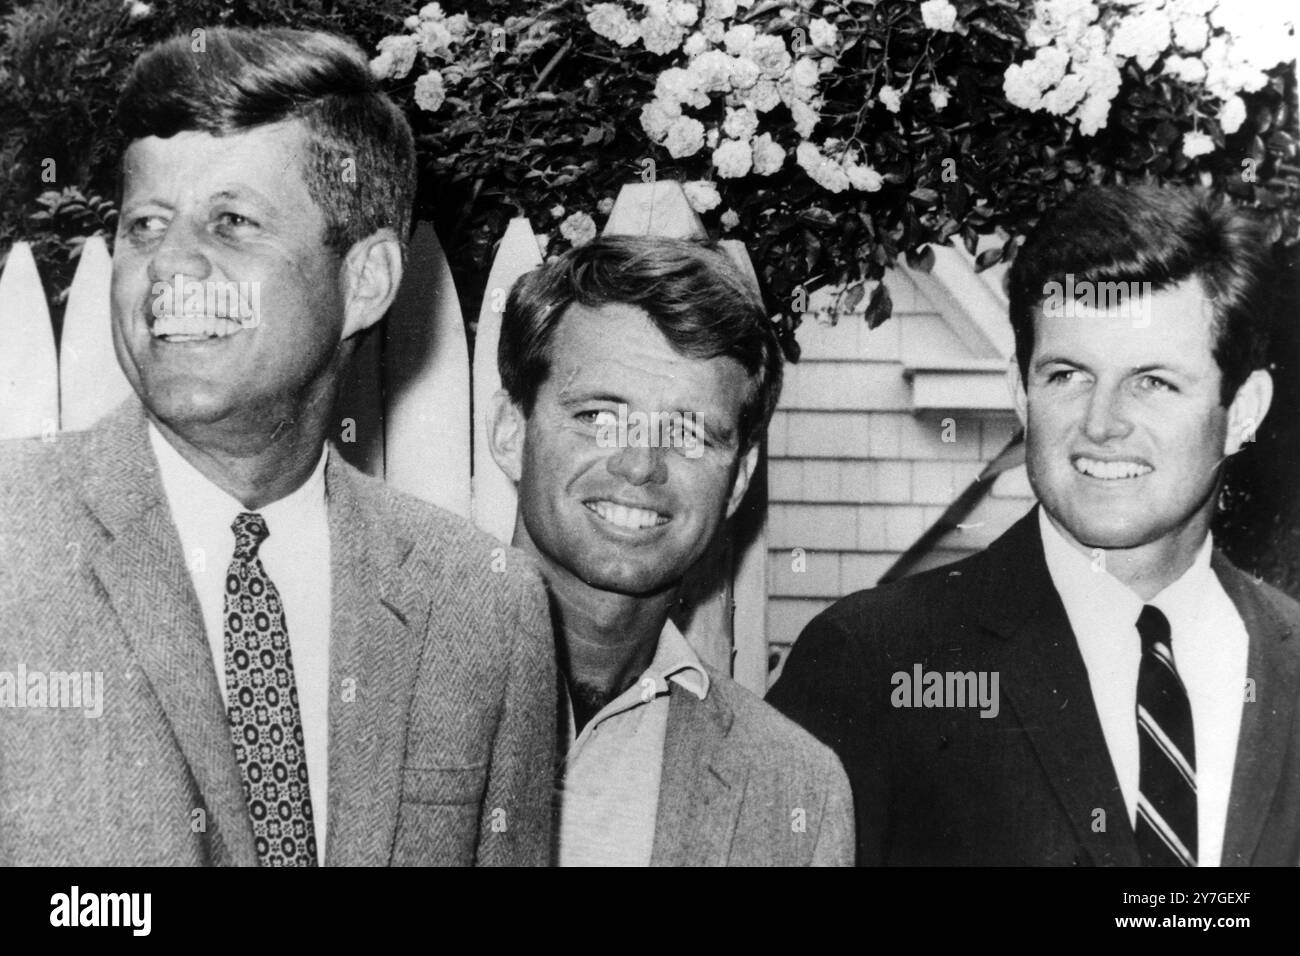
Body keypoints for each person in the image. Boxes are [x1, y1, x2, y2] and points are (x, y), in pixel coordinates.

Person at [0, 27, 555, 866]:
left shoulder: (480, 607)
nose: (171, 270)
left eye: (232, 222)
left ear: (365, 280)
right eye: (146, 224)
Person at [768, 185, 1300, 866]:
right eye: (1069, 375)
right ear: (1021, 395)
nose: (1102, 423)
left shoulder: (1287, 669)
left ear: (1245, 410)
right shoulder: (875, 664)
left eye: (1154, 382)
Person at [488, 235, 853, 866]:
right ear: (508, 431)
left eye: (688, 433)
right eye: (601, 416)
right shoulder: (373, 686)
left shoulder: (796, 789)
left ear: (738, 479)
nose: (640, 466)